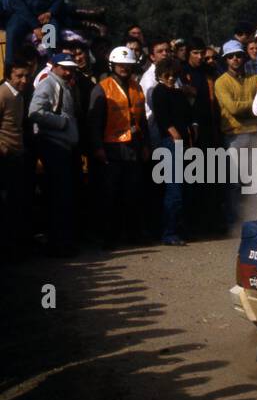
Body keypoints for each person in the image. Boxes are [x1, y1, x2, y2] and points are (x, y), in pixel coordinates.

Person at [87, 46, 149, 248]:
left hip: (133, 147)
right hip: (111, 147)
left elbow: (143, 120)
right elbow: (94, 122)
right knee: (110, 194)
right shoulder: (102, 88)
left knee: (133, 193)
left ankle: (133, 234)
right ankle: (108, 237)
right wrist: (97, 147)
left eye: (128, 65)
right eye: (120, 65)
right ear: (113, 65)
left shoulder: (136, 87)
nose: (124, 68)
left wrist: (146, 145)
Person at [27, 51, 81, 255]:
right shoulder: (49, 83)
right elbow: (35, 112)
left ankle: (61, 242)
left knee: (62, 196)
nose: (68, 72)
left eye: (71, 68)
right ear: (55, 67)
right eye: (64, 68)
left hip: (61, 145)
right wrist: (62, 123)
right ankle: (58, 244)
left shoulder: (63, 84)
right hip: (53, 145)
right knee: (59, 196)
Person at [214, 39, 257, 228]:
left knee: (254, 181)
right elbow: (233, 108)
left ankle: (253, 219)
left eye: (239, 56)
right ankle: (235, 223)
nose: (235, 59)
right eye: (231, 56)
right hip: (234, 136)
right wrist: (254, 106)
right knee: (235, 183)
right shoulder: (221, 82)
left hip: (254, 133)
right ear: (225, 60)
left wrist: (253, 107)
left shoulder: (254, 79)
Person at [150, 57, 190, 246]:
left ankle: (180, 229)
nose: (171, 78)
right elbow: (163, 118)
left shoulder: (178, 93)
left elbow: (188, 115)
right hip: (171, 143)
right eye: (167, 75)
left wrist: (192, 128)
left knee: (182, 188)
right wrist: (174, 133)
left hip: (184, 143)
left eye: (174, 75)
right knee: (173, 188)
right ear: (160, 75)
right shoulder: (158, 91)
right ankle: (169, 232)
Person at [0, 57, 34, 258]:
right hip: (6, 157)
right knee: (7, 205)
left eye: (26, 76)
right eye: (18, 76)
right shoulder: (3, 94)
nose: (24, 80)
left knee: (17, 204)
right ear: (8, 75)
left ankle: (15, 247)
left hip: (17, 156)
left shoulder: (19, 96)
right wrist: (3, 148)